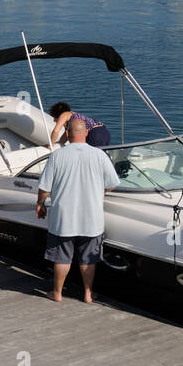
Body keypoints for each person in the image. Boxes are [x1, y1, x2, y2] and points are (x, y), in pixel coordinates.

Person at [35, 117, 119, 303]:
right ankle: (88, 294)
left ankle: (57, 293)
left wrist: (40, 204)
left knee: (61, 257)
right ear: (87, 134)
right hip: (92, 218)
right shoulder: (99, 155)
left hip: (63, 218)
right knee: (88, 258)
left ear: (67, 134)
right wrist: (100, 191)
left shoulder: (57, 156)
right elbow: (113, 183)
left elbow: (44, 188)